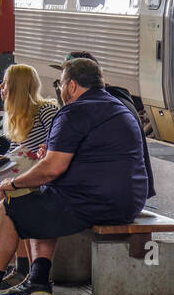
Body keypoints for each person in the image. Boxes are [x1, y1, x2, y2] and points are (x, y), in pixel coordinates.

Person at [0, 58, 149, 295]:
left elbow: (52, 168)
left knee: (10, 206)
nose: (61, 89)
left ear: (73, 86)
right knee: (40, 200)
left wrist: (12, 183)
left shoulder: (73, 112)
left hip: (94, 201)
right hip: (129, 201)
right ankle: (38, 282)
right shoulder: (119, 108)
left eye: (62, 83)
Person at [0, 64, 59, 288]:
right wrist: (0, 157)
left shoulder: (46, 110)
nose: (2, 88)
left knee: (10, 200)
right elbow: (15, 150)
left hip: (37, 172)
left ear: (18, 86)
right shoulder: (16, 115)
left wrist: (45, 147)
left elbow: (57, 140)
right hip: (22, 168)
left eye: (6, 83)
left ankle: (17, 267)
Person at [61, 50, 154, 199]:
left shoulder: (96, 108)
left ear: (74, 84)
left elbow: (58, 165)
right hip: (133, 191)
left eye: (63, 82)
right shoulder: (116, 100)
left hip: (113, 196)